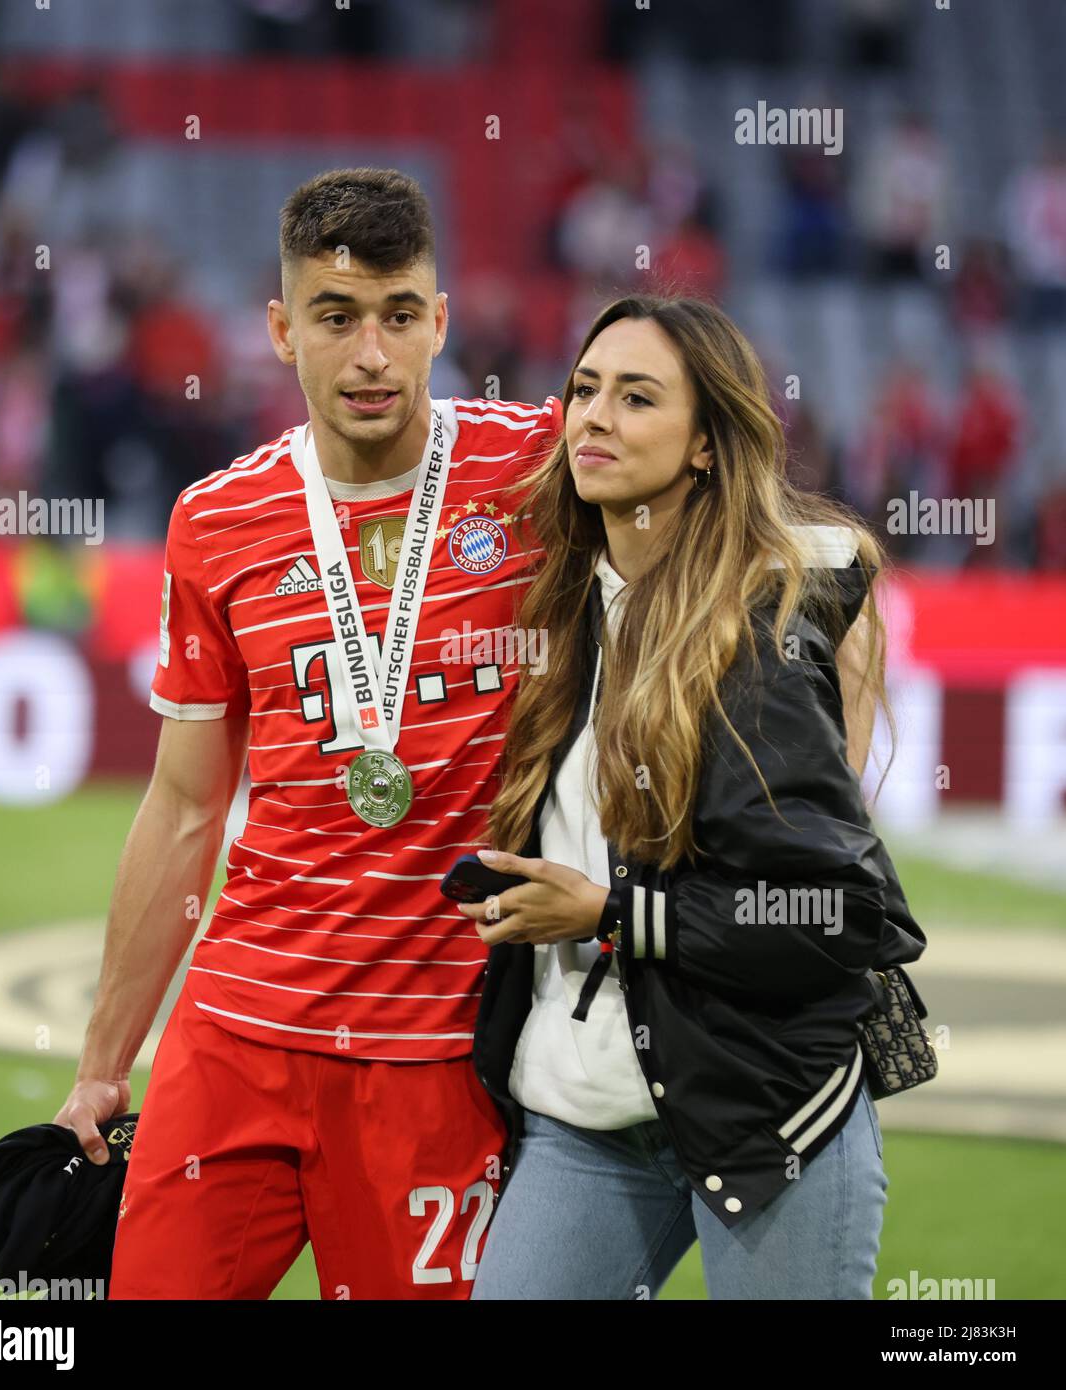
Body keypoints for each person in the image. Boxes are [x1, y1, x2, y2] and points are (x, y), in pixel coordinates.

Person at [52, 167, 565, 1300]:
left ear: (441, 321)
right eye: (335, 318)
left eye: (397, 316)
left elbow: (720, 492)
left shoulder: (539, 467)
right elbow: (186, 806)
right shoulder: (216, 520)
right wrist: (102, 1063)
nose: (371, 355)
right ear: (283, 331)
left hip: (438, 1059)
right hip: (236, 1035)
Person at [461, 294, 929, 1300]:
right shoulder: (565, 603)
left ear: (709, 445)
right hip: (586, 1120)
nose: (594, 417)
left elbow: (843, 913)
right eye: (585, 388)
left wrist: (612, 916)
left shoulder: (752, 642)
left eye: (637, 399)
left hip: (769, 1120)